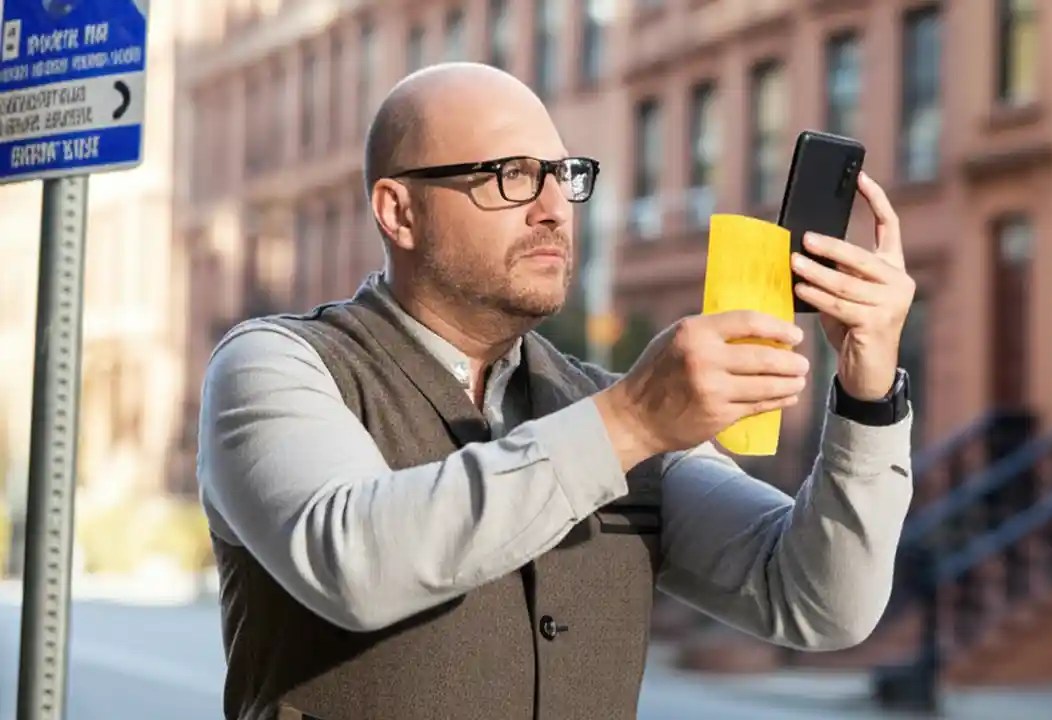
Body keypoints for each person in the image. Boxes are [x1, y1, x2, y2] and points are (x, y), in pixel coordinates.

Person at [197, 63, 917, 720]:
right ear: (399, 211)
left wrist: (868, 392)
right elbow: (352, 563)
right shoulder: (275, 366)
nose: (553, 207)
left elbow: (820, 603)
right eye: (511, 174)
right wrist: (631, 421)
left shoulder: (603, 404)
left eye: (562, 174)